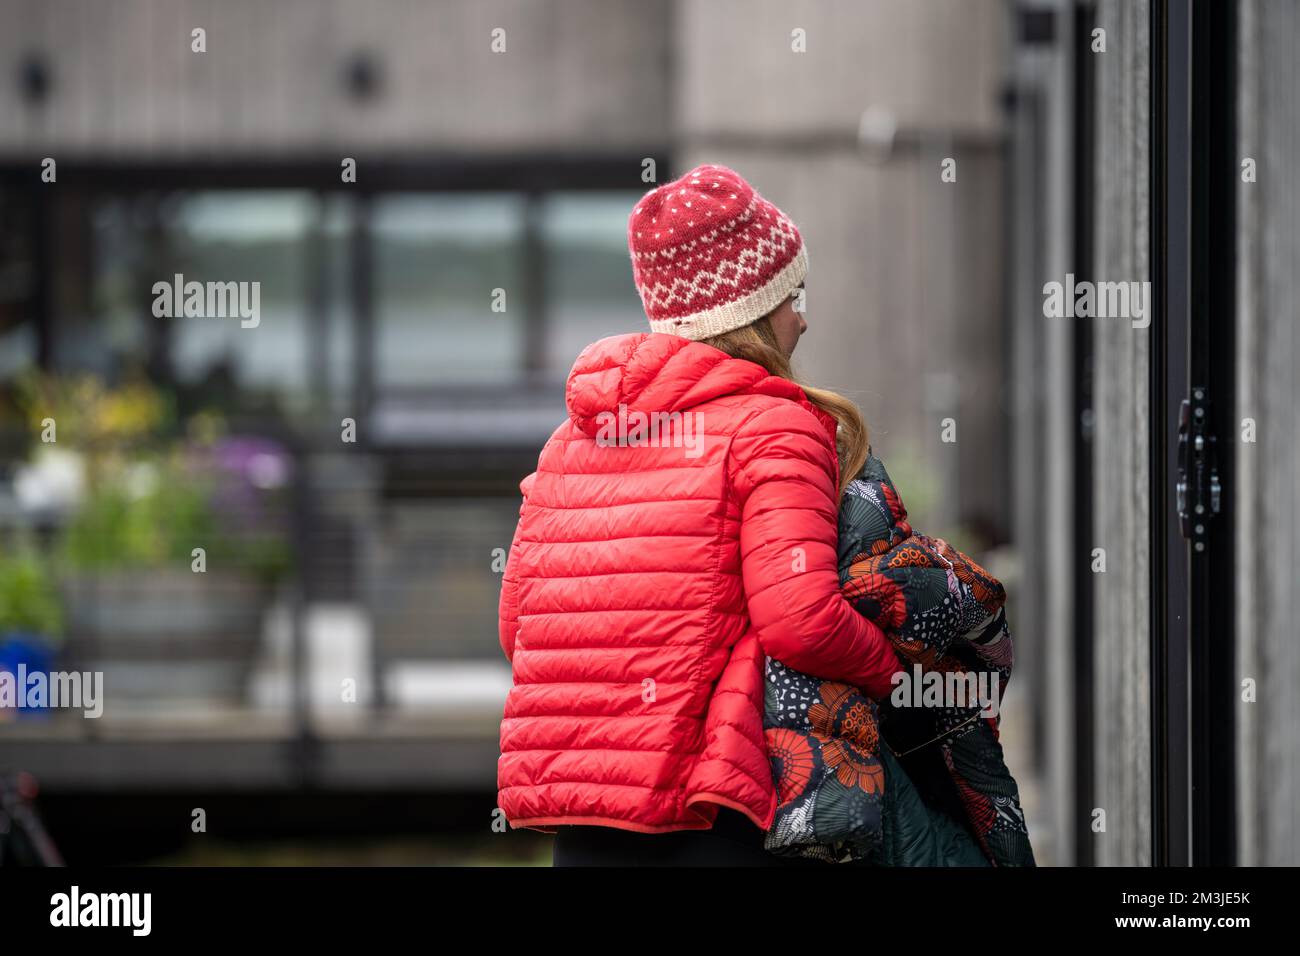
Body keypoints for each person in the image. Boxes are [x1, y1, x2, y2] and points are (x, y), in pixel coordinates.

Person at [495, 164, 900, 865]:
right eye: (792, 295)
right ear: (753, 309)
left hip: (589, 827)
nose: (803, 316)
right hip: (715, 815)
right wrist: (895, 671)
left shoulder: (573, 440)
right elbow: (800, 618)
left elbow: (519, 629)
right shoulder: (774, 427)